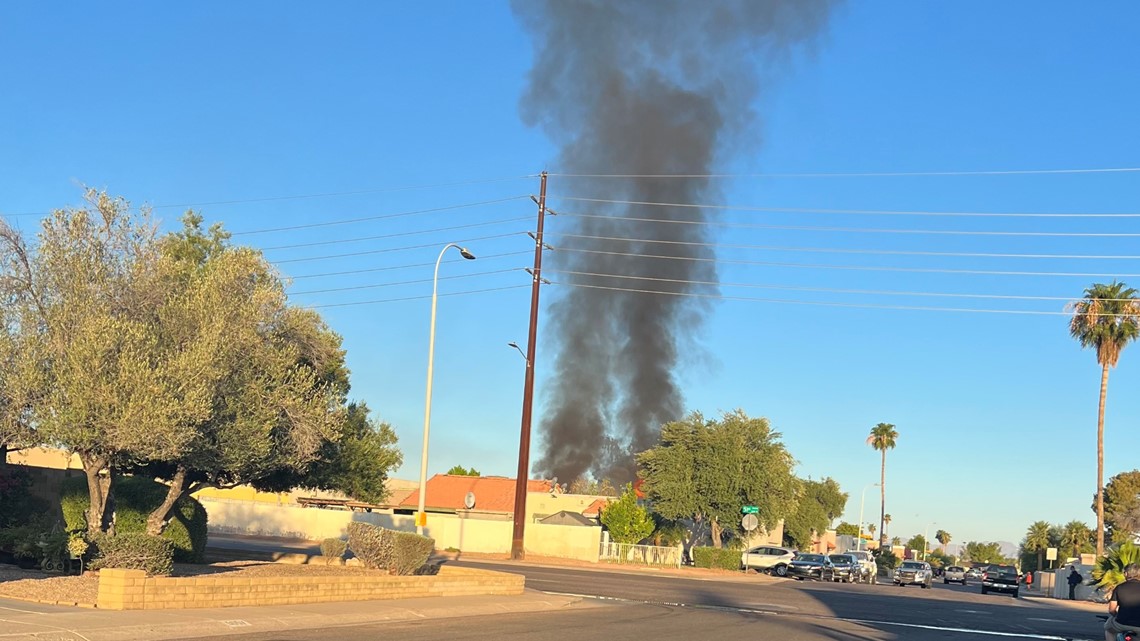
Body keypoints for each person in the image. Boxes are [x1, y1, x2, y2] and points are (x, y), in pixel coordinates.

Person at [1104, 564, 1140, 641]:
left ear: (1126, 573)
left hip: (1122, 623)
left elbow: (1111, 610)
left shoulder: (1119, 587)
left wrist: (1116, 615)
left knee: (1109, 629)